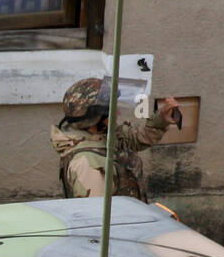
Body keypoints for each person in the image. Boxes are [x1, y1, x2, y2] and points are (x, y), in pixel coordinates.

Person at [51, 77, 180, 200]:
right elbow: (97, 215)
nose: (117, 113)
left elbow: (136, 139)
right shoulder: (87, 163)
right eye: (111, 110)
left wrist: (160, 119)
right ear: (93, 119)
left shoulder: (102, 134)